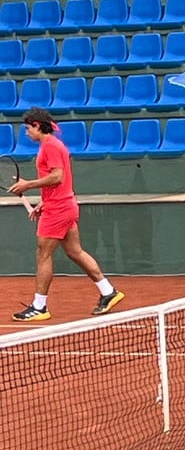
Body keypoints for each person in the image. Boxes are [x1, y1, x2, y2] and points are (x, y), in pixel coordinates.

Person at [9, 108, 124, 322]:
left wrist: (28, 185)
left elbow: (58, 176)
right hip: (63, 205)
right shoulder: (52, 145)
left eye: (27, 128)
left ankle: (39, 306)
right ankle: (108, 291)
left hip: (59, 210)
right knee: (75, 252)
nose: (26, 133)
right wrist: (44, 201)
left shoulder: (50, 146)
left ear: (36, 126)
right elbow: (60, 179)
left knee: (43, 255)